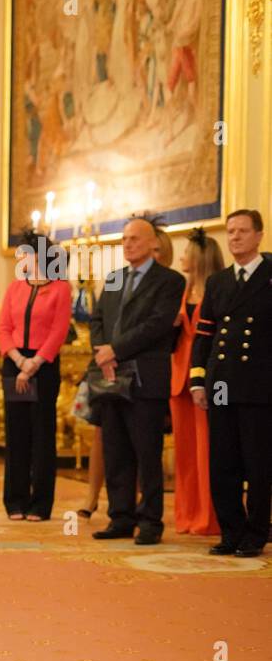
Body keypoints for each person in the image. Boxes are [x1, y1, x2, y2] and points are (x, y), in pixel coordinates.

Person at [89, 217, 186, 544]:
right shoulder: (115, 279)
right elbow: (98, 319)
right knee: (116, 451)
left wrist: (115, 349)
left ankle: (150, 522)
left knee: (147, 453)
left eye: (134, 238)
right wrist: (102, 351)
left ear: (151, 243)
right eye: (125, 239)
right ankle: (120, 517)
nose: (128, 244)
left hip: (145, 379)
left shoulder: (169, 281)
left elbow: (156, 325)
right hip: (111, 378)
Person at [190, 209, 272, 557]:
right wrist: (198, 381)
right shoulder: (219, 281)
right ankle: (231, 531)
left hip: (260, 384)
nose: (235, 237)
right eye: (231, 231)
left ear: (259, 235)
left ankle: (256, 532)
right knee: (223, 460)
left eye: (242, 231)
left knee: (257, 463)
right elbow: (204, 334)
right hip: (221, 383)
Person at [0, 230, 72, 521]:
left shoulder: (60, 288)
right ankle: (15, 500)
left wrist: (35, 363)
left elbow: (59, 331)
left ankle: (40, 503)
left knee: (42, 433)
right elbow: (3, 328)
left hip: (44, 365)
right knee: (17, 432)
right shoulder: (15, 287)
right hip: (15, 363)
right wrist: (18, 360)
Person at [171, 227, 224, 536]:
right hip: (178, 374)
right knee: (186, 453)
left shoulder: (218, 291)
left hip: (207, 376)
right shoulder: (181, 290)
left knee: (208, 451)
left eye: (186, 252)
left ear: (199, 257)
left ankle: (209, 516)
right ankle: (186, 515)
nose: (181, 257)